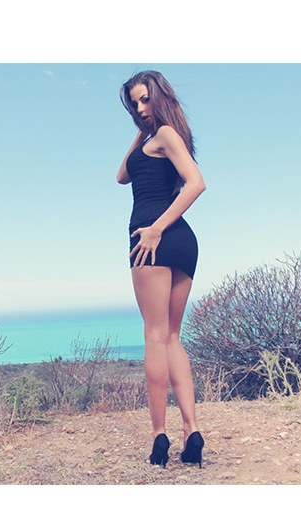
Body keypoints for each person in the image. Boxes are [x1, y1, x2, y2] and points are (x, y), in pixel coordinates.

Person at [116, 70, 206, 468]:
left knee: (154, 336)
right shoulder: (161, 137)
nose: (139, 108)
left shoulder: (167, 134)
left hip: (154, 236)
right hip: (182, 242)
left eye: (145, 99)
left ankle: (159, 435)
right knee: (171, 337)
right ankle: (192, 431)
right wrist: (142, 128)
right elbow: (121, 176)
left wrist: (155, 229)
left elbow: (196, 183)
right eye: (134, 103)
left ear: (161, 96)